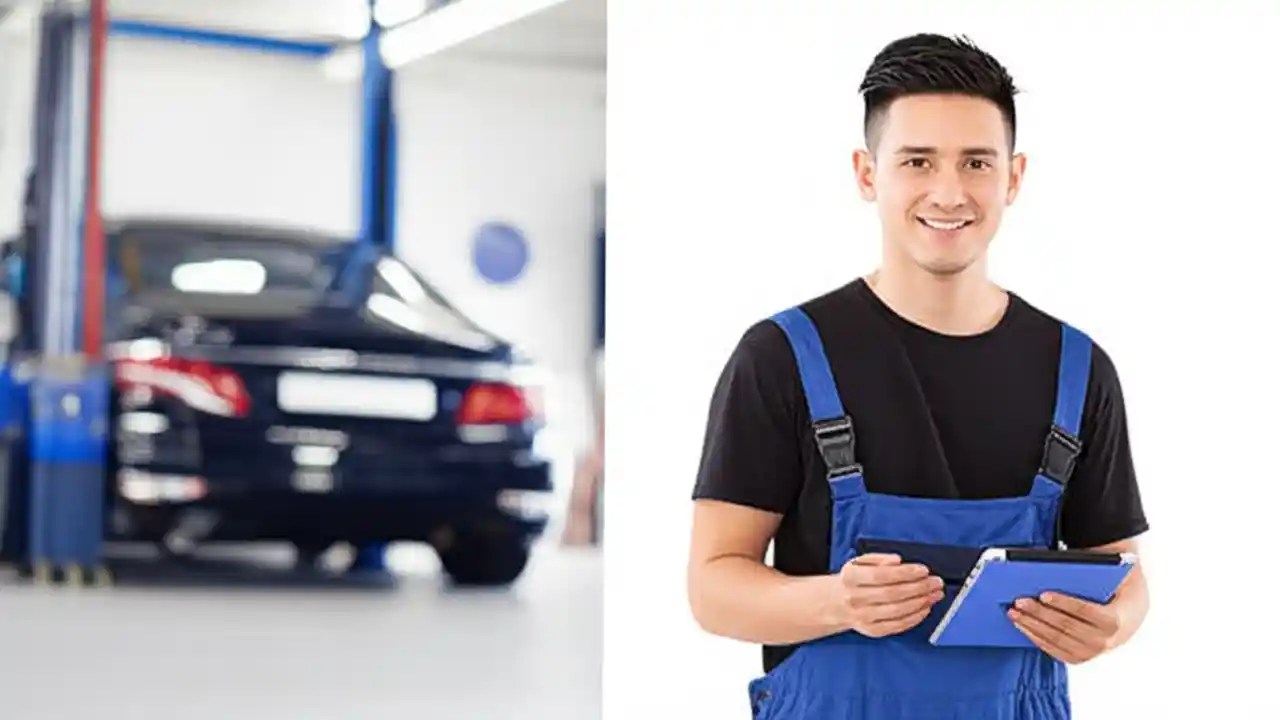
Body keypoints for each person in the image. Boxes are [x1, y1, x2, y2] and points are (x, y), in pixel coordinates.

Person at [686, 33, 1150, 718]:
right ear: (868, 173)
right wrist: (836, 601)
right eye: (917, 161)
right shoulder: (781, 357)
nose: (949, 191)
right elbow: (712, 587)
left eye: (976, 162)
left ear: (1013, 177)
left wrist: (1115, 625)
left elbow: (1126, 574)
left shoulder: (1077, 370)